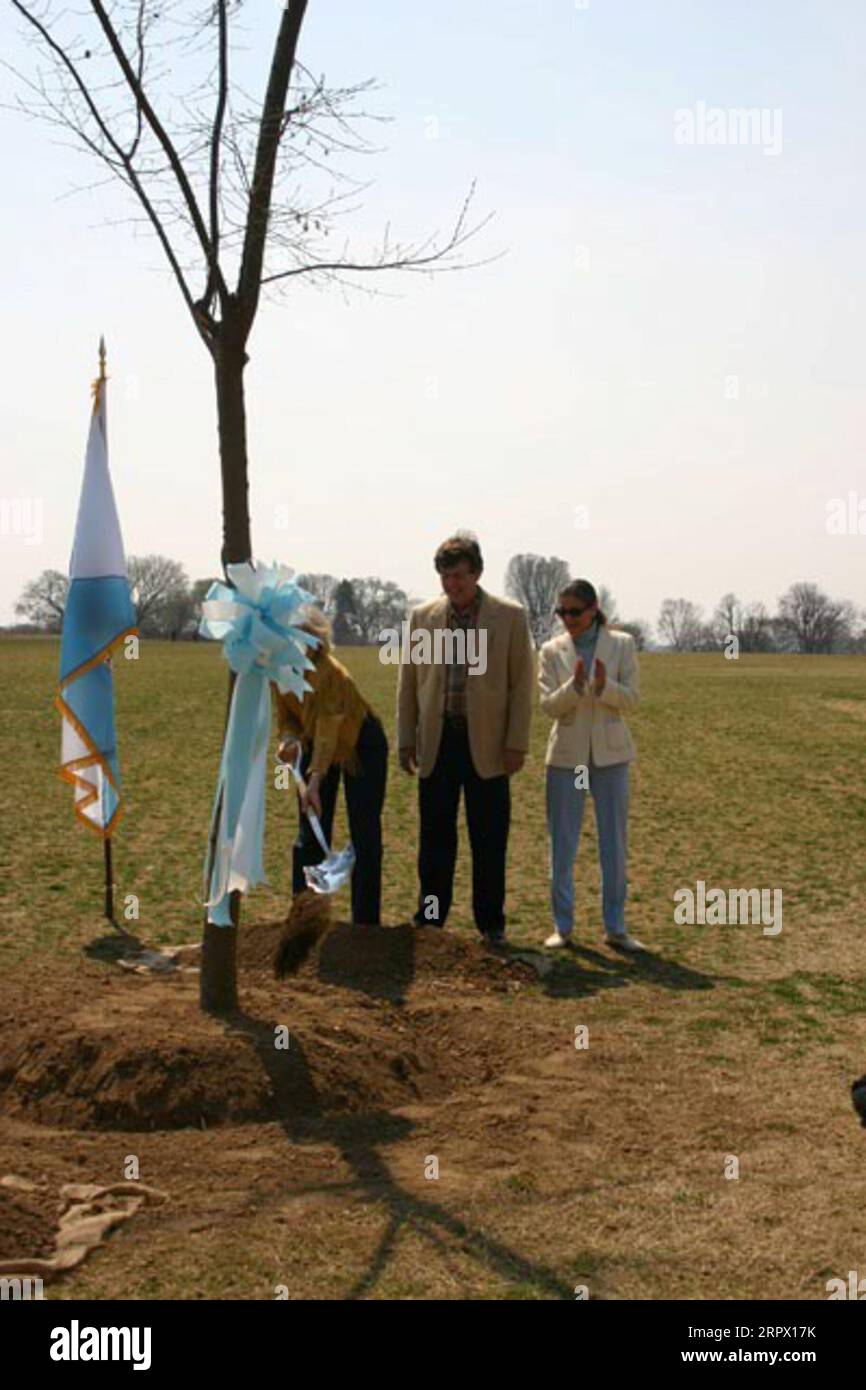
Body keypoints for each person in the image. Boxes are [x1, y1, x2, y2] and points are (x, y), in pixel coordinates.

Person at [397, 532, 534, 945]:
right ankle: (432, 918)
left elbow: (521, 686)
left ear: (476, 573)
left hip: (488, 746)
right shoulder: (423, 617)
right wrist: (406, 739)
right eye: (444, 576)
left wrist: (516, 743)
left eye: (458, 576)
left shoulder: (509, 617)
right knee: (435, 840)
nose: (451, 585)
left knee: (488, 839)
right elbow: (409, 684)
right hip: (438, 742)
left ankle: (490, 924)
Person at [537, 579, 644, 952]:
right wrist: (576, 686)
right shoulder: (551, 650)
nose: (568, 619)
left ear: (594, 608)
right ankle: (562, 927)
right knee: (562, 844)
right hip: (569, 760)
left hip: (610, 758)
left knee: (613, 843)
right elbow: (549, 705)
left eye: (575, 612)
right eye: (562, 612)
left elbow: (631, 700)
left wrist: (603, 686)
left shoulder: (622, 644)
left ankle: (616, 927)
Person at [273, 608, 387, 926]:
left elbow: (328, 730)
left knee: (364, 831)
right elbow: (288, 718)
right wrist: (288, 740)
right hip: (316, 744)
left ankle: (365, 925)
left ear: (313, 639)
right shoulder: (278, 673)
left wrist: (314, 782)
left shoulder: (329, 673)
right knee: (310, 831)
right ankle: (305, 920)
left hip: (359, 745)